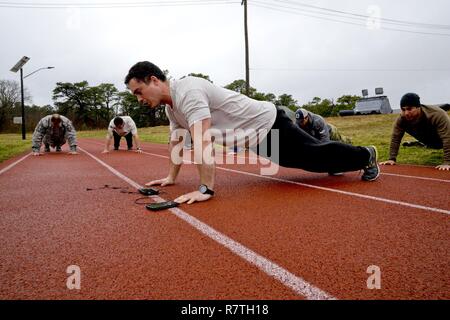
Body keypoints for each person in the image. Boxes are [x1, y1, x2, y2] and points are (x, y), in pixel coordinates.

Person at [124, 61, 380, 204]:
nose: (139, 100)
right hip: (257, 140)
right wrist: (170, 177)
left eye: (138, 92)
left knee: (311, 156)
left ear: (154, 80)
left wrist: (205, 189)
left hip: (268, 122)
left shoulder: (188, 91)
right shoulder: (172, 110)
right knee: (308, 162)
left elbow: (202, 141)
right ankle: (335, 159)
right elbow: (177, 143)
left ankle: (366, 155)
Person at [380, 93, 450, 171]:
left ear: (418, 107)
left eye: (409, 109)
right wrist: (391, 159)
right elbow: (395, 138)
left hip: (444, 137)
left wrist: (447, 162)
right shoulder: (401, 119)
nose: (406, 113)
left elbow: (447, 138)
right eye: (403, 109)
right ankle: (419, 143)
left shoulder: (437, 114)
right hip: (430, 142)